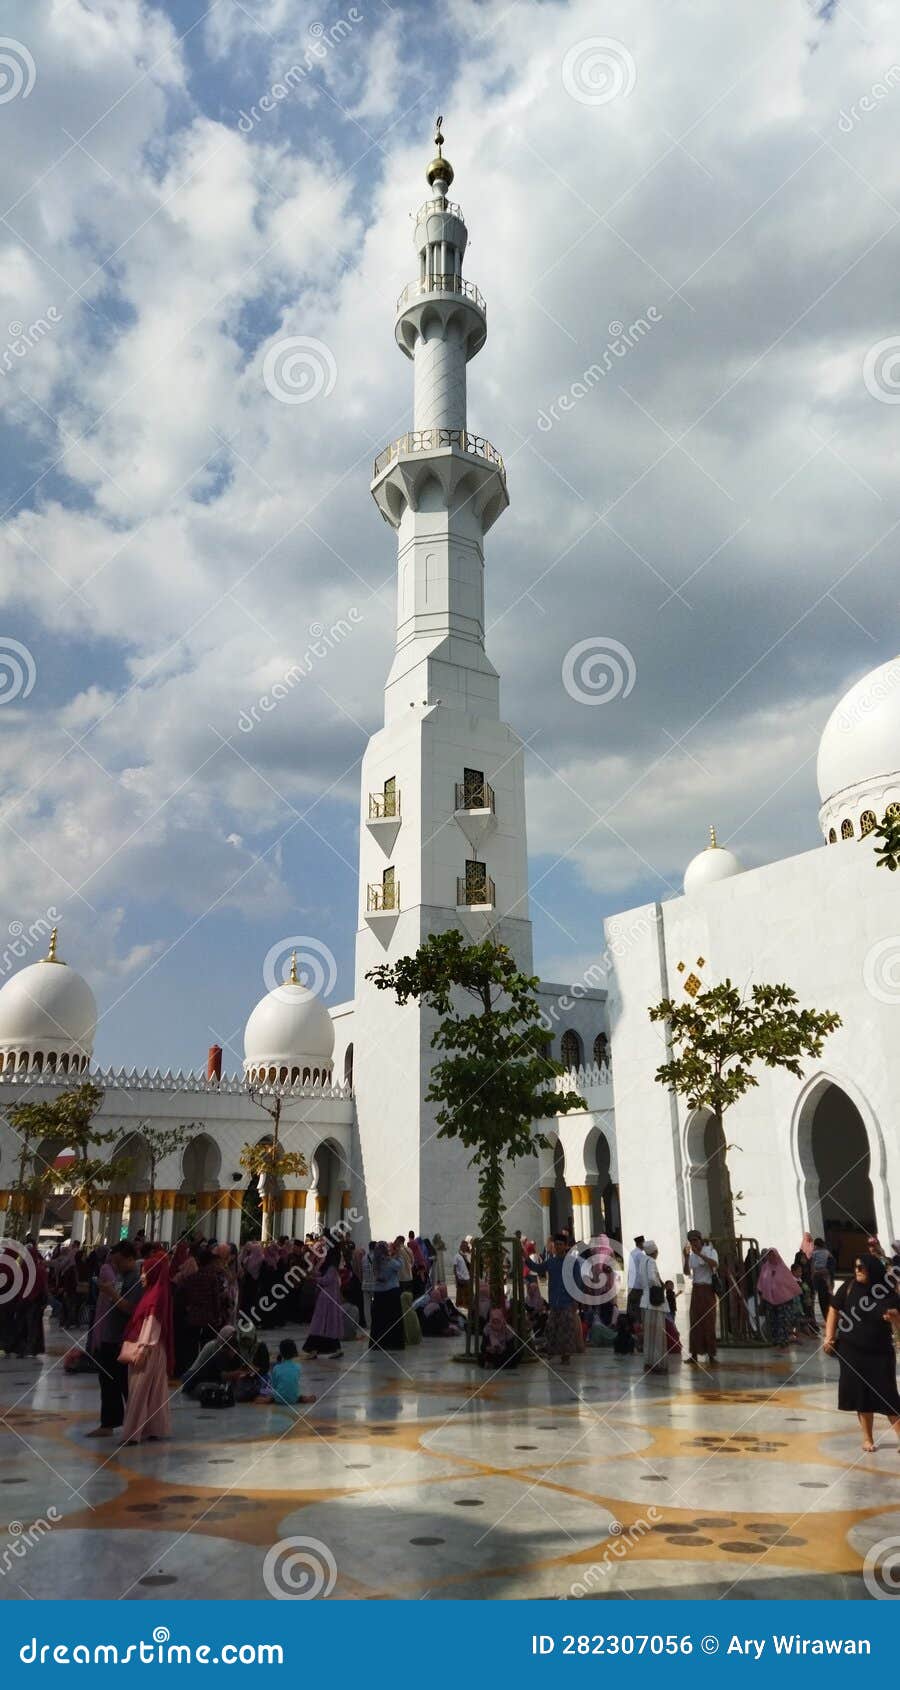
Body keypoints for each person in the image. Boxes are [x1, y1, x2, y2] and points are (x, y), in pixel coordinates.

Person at [824, 1252, 900, 1452]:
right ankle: (867, 1438)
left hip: (880, 1353)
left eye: (861, 1267)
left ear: (873, 1270)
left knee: (888, 1394)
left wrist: (894, 1318)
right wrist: (829, 1336)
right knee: (861, 1395)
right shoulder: (849, 1287)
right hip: (851, 1352)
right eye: (856, 1266)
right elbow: (834, 1309)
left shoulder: (887, 1292)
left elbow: (899, 1322)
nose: (857, 1270)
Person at [86, 1242, 142, 1438]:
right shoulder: (120, 1276)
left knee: (125, 1383)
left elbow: (129, 1308)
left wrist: (110, 1293)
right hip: (110, 1336)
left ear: (130, 1259)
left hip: (123, 1339)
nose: (115, 1267)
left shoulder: (136, 1279)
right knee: (108, 1382)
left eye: (118, 1263)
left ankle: (137, 1424)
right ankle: (108, 1423)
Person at [119, 1253, 174, 1446]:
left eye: (145, 1272)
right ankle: (153, 1429)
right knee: (154, 1391)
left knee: (138, 1390)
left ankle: (131, 1433)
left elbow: (151, 1323)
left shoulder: (155, 1295)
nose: (142, 1276)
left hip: (148, 1347)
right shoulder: (156, 1291)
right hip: (156, 1348)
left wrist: (142, 1348)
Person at [526, 1236, 581, 1366]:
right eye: (556, 1244)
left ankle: (565, 1356)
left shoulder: (572, 1262)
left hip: (567, 1301)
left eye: (561, 1244)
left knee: (566, 1329)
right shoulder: (551, 1262)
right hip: (555, 1302)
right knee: (551, 1327)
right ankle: (552, 1350)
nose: (558, 1247)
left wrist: (575, 1300)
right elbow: (537, 1268)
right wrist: (525, 1257)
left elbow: (577, 1282)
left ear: (566, 1246)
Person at [683, 1229, 719, 1365]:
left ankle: (711, 1355)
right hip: (697, 1289)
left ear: (700, 1240)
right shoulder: (692, 1256)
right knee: (695, 1321)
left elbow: (714, 1264)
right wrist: (686, 1257)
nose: (694, 1243)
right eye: (691, 1241)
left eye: (695, 1241)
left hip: (708, 1289)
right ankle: (694, 1354)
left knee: (709, 1322)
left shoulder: (710, 1251)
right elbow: (687, 1272)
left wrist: (700, 1254)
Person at [302, 1247, 345, 1358]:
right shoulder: (332, 1268)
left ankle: (314, 1350)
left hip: (326, 1300)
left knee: (319, 1325)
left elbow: (326, 1280)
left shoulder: (331, 1268)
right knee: (328, 1325)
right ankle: (332, 1349)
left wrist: (313, 1279)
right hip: (330, 1299)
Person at [757, 1248, 798, 1348]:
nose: (771, 1257)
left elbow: (789, 1283)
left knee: (782, 1321)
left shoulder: (782, 1268)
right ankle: (775, 1340)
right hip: (770, 1301)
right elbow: (761, 1283)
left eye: (772, 1255)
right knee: (772, 1320)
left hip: (783, 1302)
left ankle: (783, 1341)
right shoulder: (765, 1268)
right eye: (769, 1255)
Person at [369, 1242, 405, 1351]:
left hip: (379, 1294)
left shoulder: (374, 1262)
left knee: (379, 1320)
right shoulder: (389, 1262)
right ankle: (393, 1343)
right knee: (392, 1320)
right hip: (391, 1293)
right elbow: (400, 1266)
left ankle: (378, 1343)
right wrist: (398, 1255)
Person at [639, 1240, 667, 1375]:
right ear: (655, 1251)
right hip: (654, 1301)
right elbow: (651, 1279)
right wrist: (658, 1286)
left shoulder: (642, 1261)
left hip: (645, 1301)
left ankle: (648, 1362)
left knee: (649, 1334)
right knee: (657, 1334)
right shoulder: (651, 1261)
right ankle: (657, 1363)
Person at [270, 1338, 316, 1407]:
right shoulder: (298, 1367)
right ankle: (301, 1398)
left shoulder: (276, 1368)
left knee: (265, 1391)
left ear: (281, 1352)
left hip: (278, 1399)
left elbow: (273, 1386)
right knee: (295, 1391)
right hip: (293, 1399)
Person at [810, 1236, 836, 1323]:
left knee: (822, 1299)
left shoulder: (814, 1253)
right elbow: (832, 1260)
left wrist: (813, 1274)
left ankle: (828, 1319)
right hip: (826, 1275)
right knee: (828, 1295)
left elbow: (812, 1265)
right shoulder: (826, 1252)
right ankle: (830, 1318)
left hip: (818, 1275)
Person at [626, 1236, 646, 1322]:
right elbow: (643, 1269)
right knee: (638, 1309)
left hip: (631, 1284)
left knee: (631, 1308)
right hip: (638, 1286)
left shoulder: (632, 1253)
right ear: (641, 1243)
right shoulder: (640, 1254)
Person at [453, 1240, 471, 1311]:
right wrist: (456, 1278)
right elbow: (454, 1268)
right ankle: (461, 1305)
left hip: (467, 1277)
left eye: (466, 1246)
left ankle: (466, 1305)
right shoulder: (456, 1256)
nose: (465, 1247)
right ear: (461, 1246)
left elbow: (469, 1266)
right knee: (460, 1293)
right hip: (460, 1278)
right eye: (463, 1246)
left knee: (467, 1293)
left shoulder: (467, 1256)